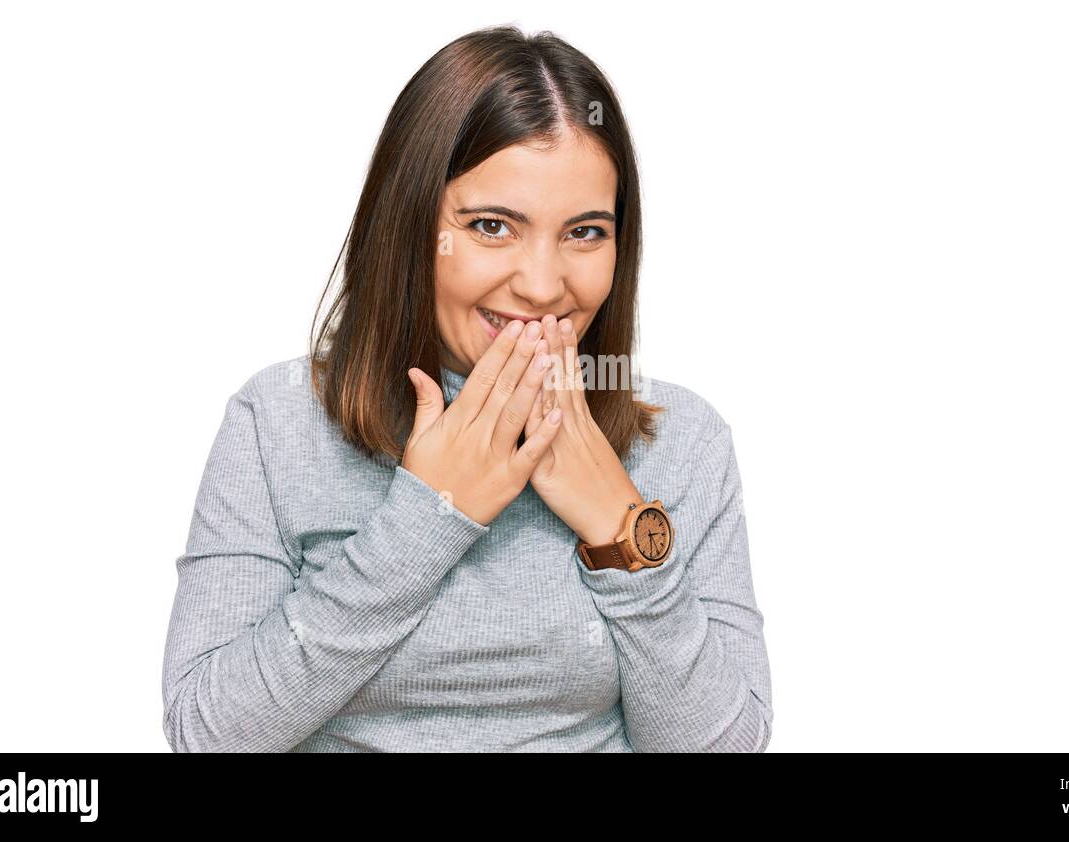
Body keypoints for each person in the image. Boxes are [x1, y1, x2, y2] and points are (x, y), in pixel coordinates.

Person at [161, 24, 773, 752]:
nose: (544, 287)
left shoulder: (685, 440)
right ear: (411, 225)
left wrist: (619, 526)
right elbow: (208, 732)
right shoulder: (280, 422)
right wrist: (426, 519)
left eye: (584, 233)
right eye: (491, 226)